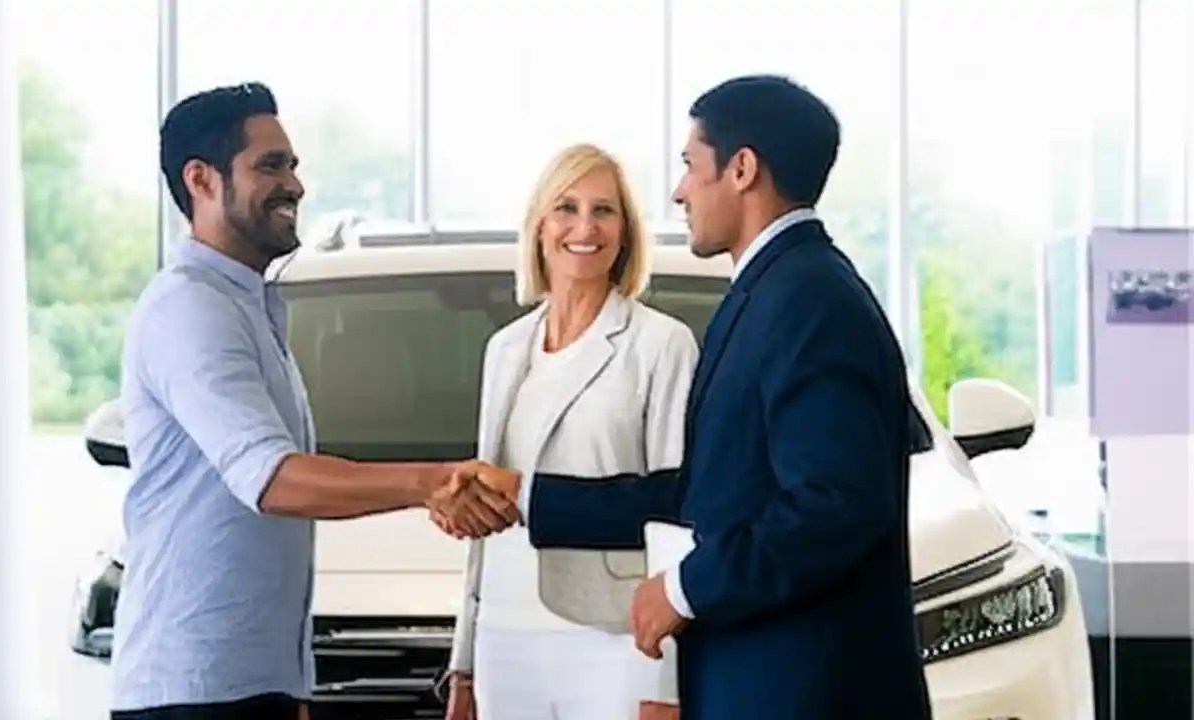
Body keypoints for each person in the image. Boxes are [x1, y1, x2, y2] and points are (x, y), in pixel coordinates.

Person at [446, 75, 933, 719]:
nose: (679, 190)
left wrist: (684, 588)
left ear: (742, 170)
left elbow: (835, 507)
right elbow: (698, 494)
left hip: (799, 693)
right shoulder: (771, 292)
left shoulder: (809, 302)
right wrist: (526, 495)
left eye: (689, 164)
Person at [111, 82, 514, 720]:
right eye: (270, 166)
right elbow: (272, 479)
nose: (294, 185)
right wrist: (432, 482)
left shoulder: (253, 305)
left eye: (293, 165)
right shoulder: (189, 309)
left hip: (255, 682)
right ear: (201, 179)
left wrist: (289, 686)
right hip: (198, 689)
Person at [440, 143, 699, 720]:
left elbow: (675, 515)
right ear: (539, 225)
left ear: (625, 232)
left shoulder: (661, 344)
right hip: (504, 635)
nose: (585, 227)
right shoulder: (505, 349)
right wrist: (465, 662)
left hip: (614, 637)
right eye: (566, 207)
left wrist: (667, 682)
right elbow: (484, 526)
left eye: (603, 210)